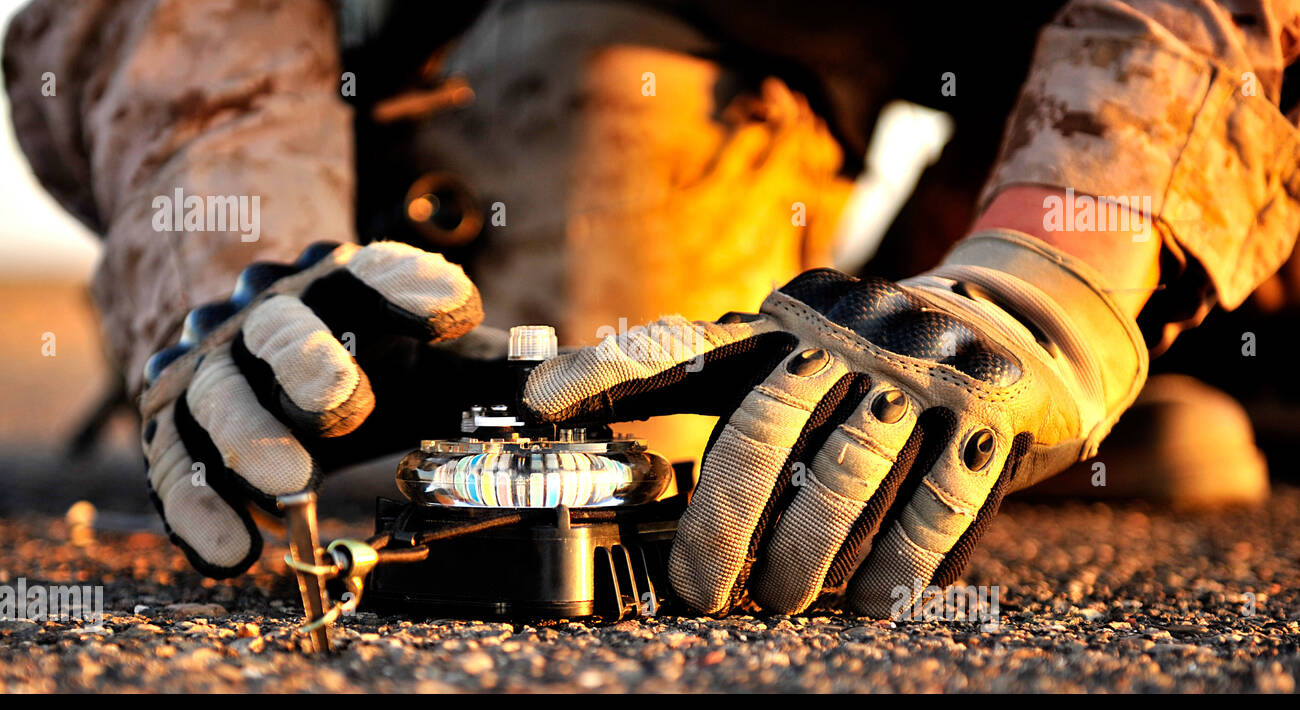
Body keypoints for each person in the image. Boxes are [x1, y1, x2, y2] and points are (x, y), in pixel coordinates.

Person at [4, 0, 1297, 617]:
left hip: (1044, 52)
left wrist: (1063, 264)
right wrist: (237, 253)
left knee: (821, 454)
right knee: (665, 439)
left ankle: (1056, 366)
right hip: (613, 41)